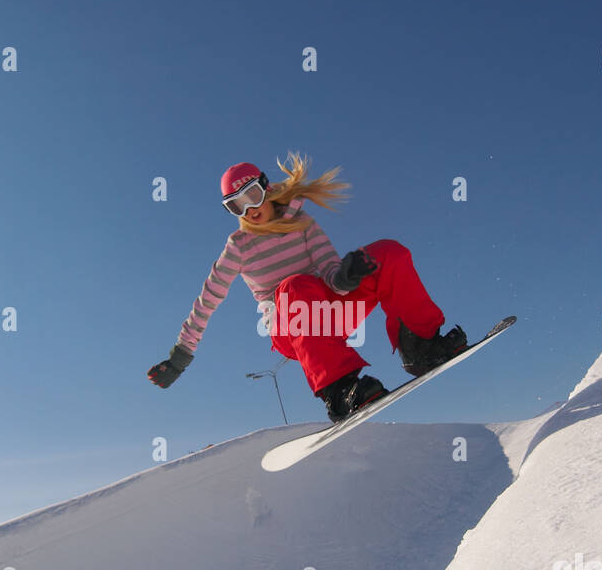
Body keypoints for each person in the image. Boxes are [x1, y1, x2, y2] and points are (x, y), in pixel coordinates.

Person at [147, 153, 467, 422]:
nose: (249, 210)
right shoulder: (239, 246)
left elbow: (328, 269)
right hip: (291, 328)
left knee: (388, 252)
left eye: (252, 197)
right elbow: (208, 299)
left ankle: (421, 344)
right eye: (236, 206)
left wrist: (345, 276)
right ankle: (340, 390)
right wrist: (179, 358)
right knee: (295, 286)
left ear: (265, 188)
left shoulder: (303, 223)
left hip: (329, 309)